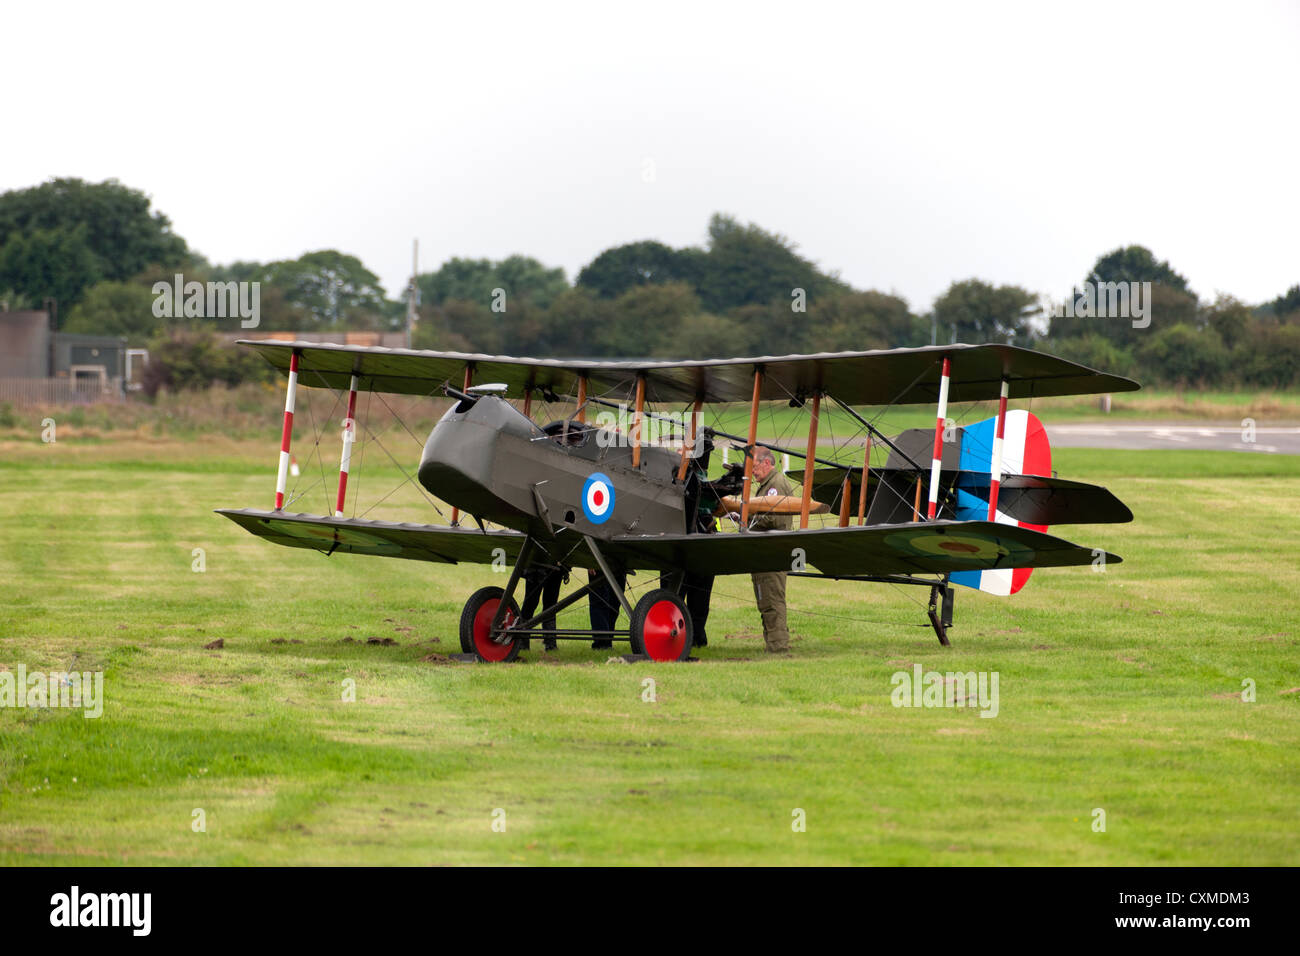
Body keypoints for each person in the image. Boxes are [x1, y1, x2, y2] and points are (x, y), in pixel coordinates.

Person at [747, 447, 793, 654]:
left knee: (772, 599)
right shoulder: (767, 485)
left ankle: (778, 646)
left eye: (755, 466)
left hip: (772, 552)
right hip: (763, 552)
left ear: (767, 463)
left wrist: (748, 520)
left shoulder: (775, 485)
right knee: (765, 599)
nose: (753, 472)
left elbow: (775, 518)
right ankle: (772, 643)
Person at [519, 563, 564, 652]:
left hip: (556, 569)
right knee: (530, 603)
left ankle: (550, 644)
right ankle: (522, 643)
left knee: (551, 606)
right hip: (536, 568)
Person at [588, 566, 627, 650]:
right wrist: (590, 564)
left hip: (619, 563)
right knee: (599, 601)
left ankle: (608, 641)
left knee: (615, 603)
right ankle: (601, 643)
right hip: (598, 564)